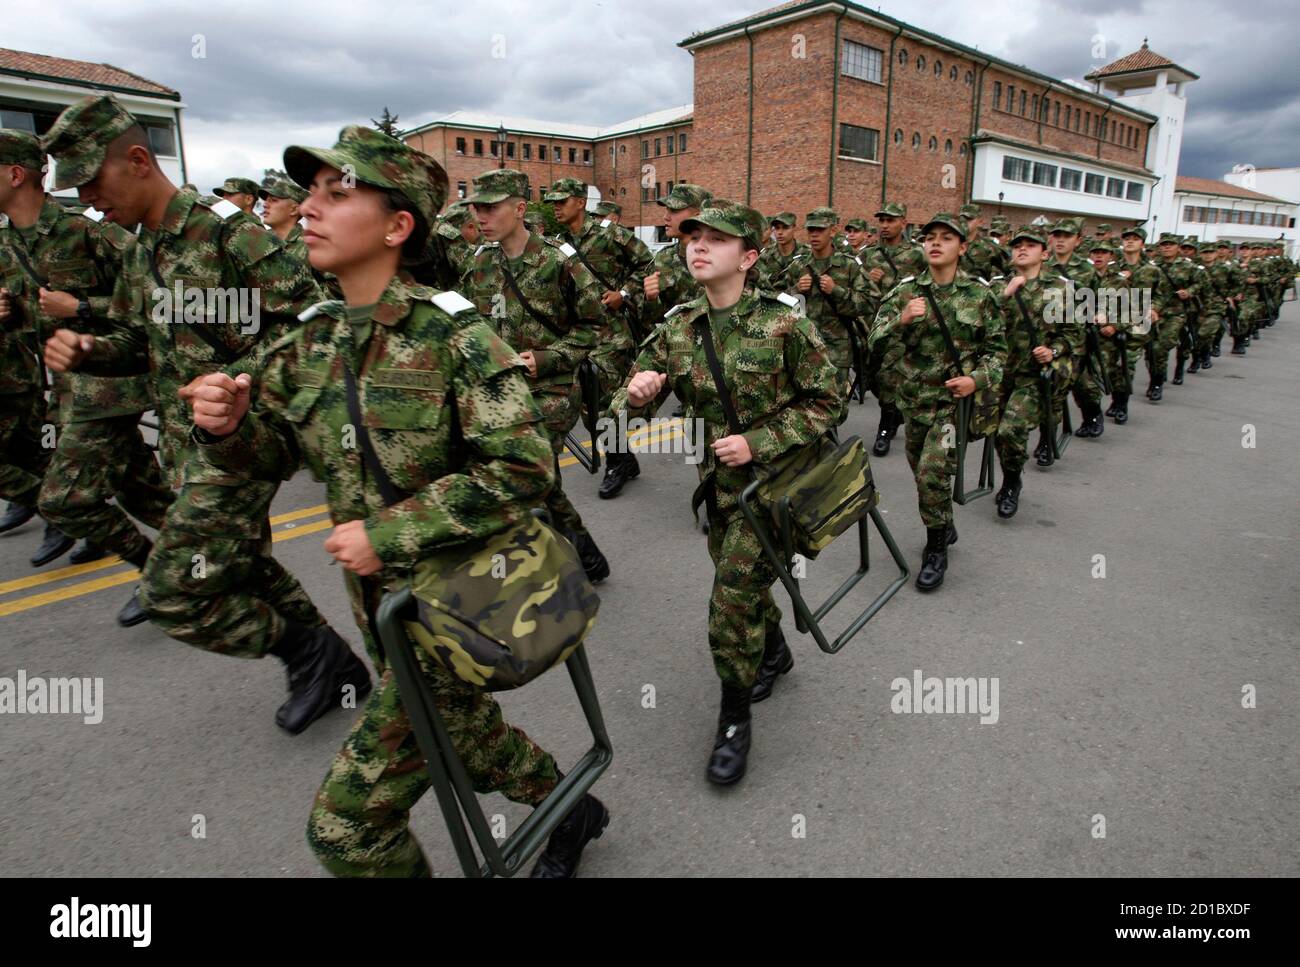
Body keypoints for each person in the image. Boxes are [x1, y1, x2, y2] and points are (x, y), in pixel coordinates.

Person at [184, 125, 608, 879]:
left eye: (336, 193)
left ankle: (565, 810)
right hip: (382, 615)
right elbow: (271, 457)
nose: (308, 207)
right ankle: (570, 809)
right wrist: (227, 427)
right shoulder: (310, 342)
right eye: (309, 191)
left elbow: (522, 466)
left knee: (347, 831)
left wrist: (389, 529)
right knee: (469, 738)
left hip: (466, 600)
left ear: (397, 226)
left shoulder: (454, 335)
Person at [41, 94, 369, 734]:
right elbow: (144, 346)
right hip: (191, 445)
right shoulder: (142, 251)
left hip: (246, 436)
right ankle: (331, 667)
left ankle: (311, 653)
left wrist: (242, 383)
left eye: (92, 181)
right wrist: (87, 351)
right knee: (247, 563)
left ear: (137, 160)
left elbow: (313, 325)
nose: (87, 201)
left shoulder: (227, 230)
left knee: (172, 593)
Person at [610, 201, 839, 784]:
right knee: (745, 589)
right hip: (719, 490)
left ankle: (734, 721)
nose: (699, 247)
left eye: (717, 239)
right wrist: (636, 396)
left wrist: (758, 440)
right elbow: (629, 399)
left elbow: (827, 401)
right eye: (694, 237)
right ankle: (775, 652)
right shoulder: (680, 326)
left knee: (730, 601)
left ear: (750, 257)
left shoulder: (784, 323)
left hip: (777, 486)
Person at [0, 128, 172, 622]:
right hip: (68, 389)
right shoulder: (7, 244)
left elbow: (150, 293)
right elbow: (35, 320)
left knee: (62, 502)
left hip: (112, 387)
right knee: (144, 492)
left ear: (15, 175)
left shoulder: (87, 229)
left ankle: (158, 572)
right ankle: (210, 556)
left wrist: (78, 305)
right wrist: (10, 314)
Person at [461, 168, 611, 582]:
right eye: (476, 208)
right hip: (501, 390)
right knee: (537, 477)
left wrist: (546, 359)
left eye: (490, 207)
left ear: (520, 208)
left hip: (553, 387)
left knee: (524, 463)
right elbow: (466, 322)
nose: (480, 216)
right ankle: (583, 555)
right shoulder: (481, 264)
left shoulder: (557, 261)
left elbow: (596, 325)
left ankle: (549, 569)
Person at [868, 213, 1006, 591]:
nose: (935, 243)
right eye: (930, 237)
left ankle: (935, 549)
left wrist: (975, 380)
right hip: (914, 402)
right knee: (922, 473)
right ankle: (943, 519)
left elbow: (998, 353)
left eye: (946, 238)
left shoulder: (979, 295)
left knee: (931, 472)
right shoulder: (905, 291)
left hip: (952, 407)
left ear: (962, 247)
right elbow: (873, 339)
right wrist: (900, 320)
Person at [545, 176, 654, 499]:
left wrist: (623, 292)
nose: (555, 209)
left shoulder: (611, 234)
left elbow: (648, 264)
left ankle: (616, 464)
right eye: (552, 203)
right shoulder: (556, 243)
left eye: (561, 202)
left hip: (612, 334)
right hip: (580, 334)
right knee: (587, 408)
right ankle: (624, 458)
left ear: (580, 202)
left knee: (603, 404)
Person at [992, 227, 1072, 518]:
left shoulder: (1059, 288)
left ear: (1045, 253)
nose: (1022, 250)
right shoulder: (997, 285)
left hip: (1034, 375)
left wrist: (1053, 351)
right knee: (998, 435)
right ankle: (1010, 472)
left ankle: (1012, 483)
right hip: (1000, 372)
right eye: (1017, 246)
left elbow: (1072, 335)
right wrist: (1005, 295)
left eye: (1030, 245)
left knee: (1011, 428)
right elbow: (977, 320)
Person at [785, 206, 878, 418]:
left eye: (820, 230)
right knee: (803, 403)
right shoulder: (798, 266)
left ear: (833, 231)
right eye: (811, 231)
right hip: (803, 346)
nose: (814, 235)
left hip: (837, 348)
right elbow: (778, 303)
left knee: (835, 406)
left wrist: (837, 291)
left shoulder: (849, 265)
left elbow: (869, 303)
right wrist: (795, 290)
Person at [860, 202, 927, 457]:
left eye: (890, 220)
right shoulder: (869, 254)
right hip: (874, 325)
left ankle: (885, 428)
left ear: (903, 222)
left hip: (901, 327)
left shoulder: (917, 254)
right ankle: (895, 412)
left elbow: (928, 285)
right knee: (871, 378)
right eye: (882, 221)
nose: (885, 226)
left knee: (889, 378)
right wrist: (869, 279)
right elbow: (859, 288)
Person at [756, 211, 810, 290]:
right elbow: (759, 287)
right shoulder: (765, 255)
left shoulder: (806, 253)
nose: (780, 232)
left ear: (794, 228)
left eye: (785, 228)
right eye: (777, 228)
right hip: (773, 300)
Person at [258, 174, 308, 258]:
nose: (265, 205)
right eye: (266, 200)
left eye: (273, 200)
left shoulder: (311, 246)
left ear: (294, 210)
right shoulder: (259, 240)